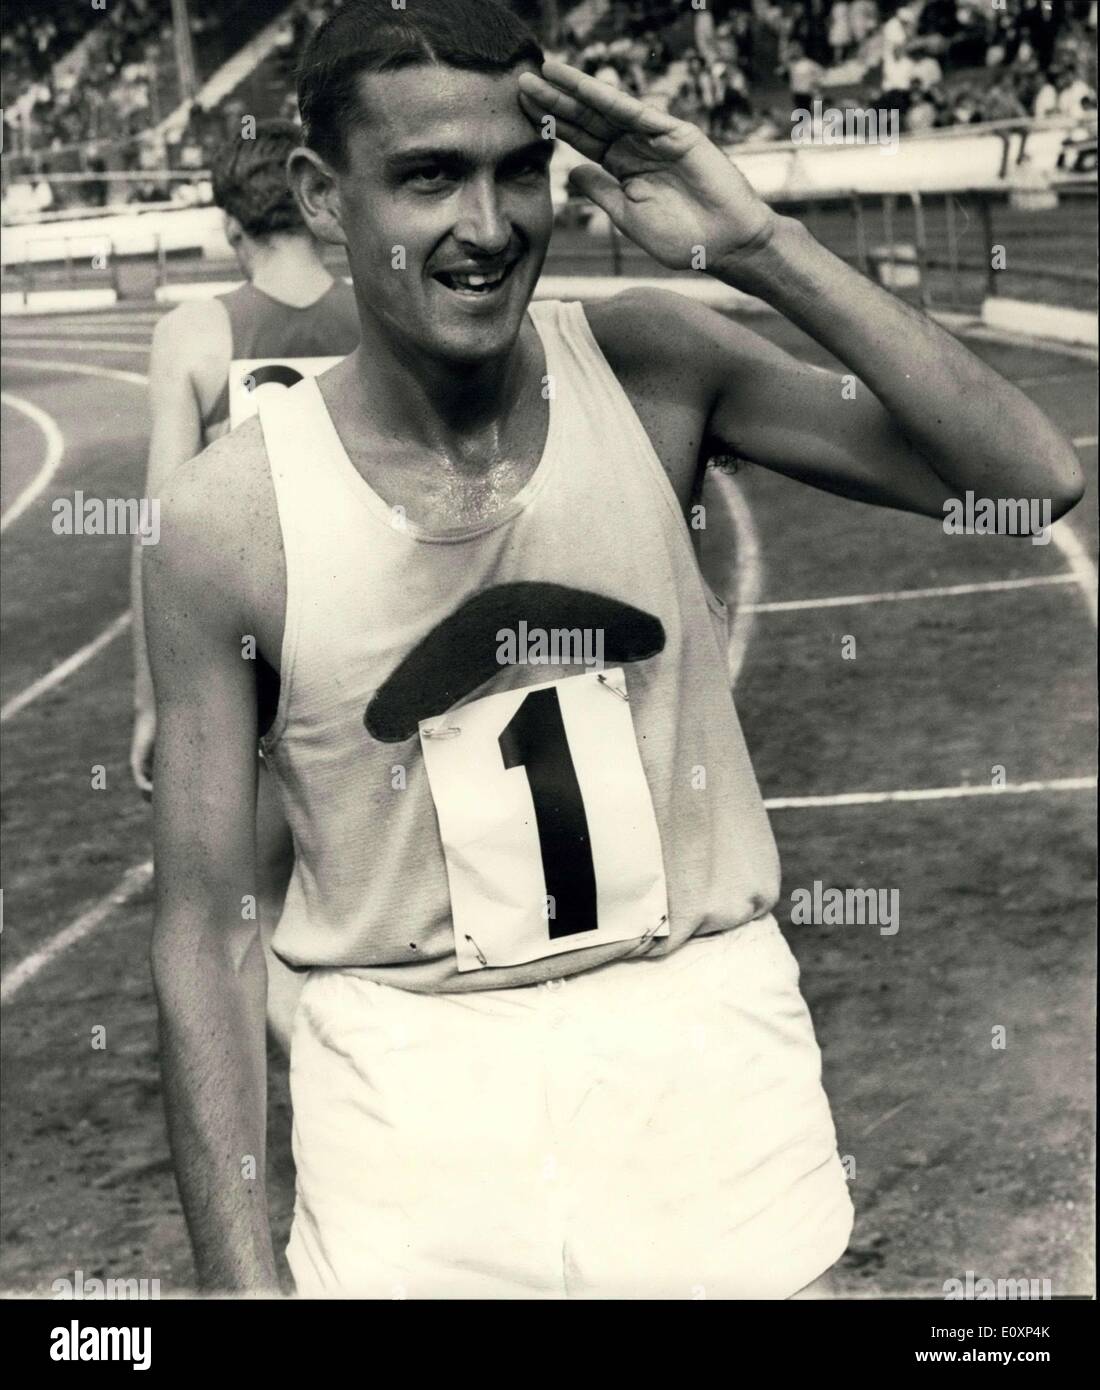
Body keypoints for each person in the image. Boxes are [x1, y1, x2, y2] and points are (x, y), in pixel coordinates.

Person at [146, 0, 1082, 1298]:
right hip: (409, 1093)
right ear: (320, 195)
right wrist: (236, 1287)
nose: (486, 225)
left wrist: (757, 244)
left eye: (516, 169)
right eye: (428, 178)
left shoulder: (653, 366)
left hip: (702, 1049)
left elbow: (1029, 480)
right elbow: (205, 931)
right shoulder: (226, 519)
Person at [133, 119, 359, 1052]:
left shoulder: (191, 333)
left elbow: (159, 534)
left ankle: (327, 1085)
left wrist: (154, 697)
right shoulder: (380, 310)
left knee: (253, 904)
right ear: (320, 199)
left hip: (255, 650)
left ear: (233, 227)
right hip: (385, 621)